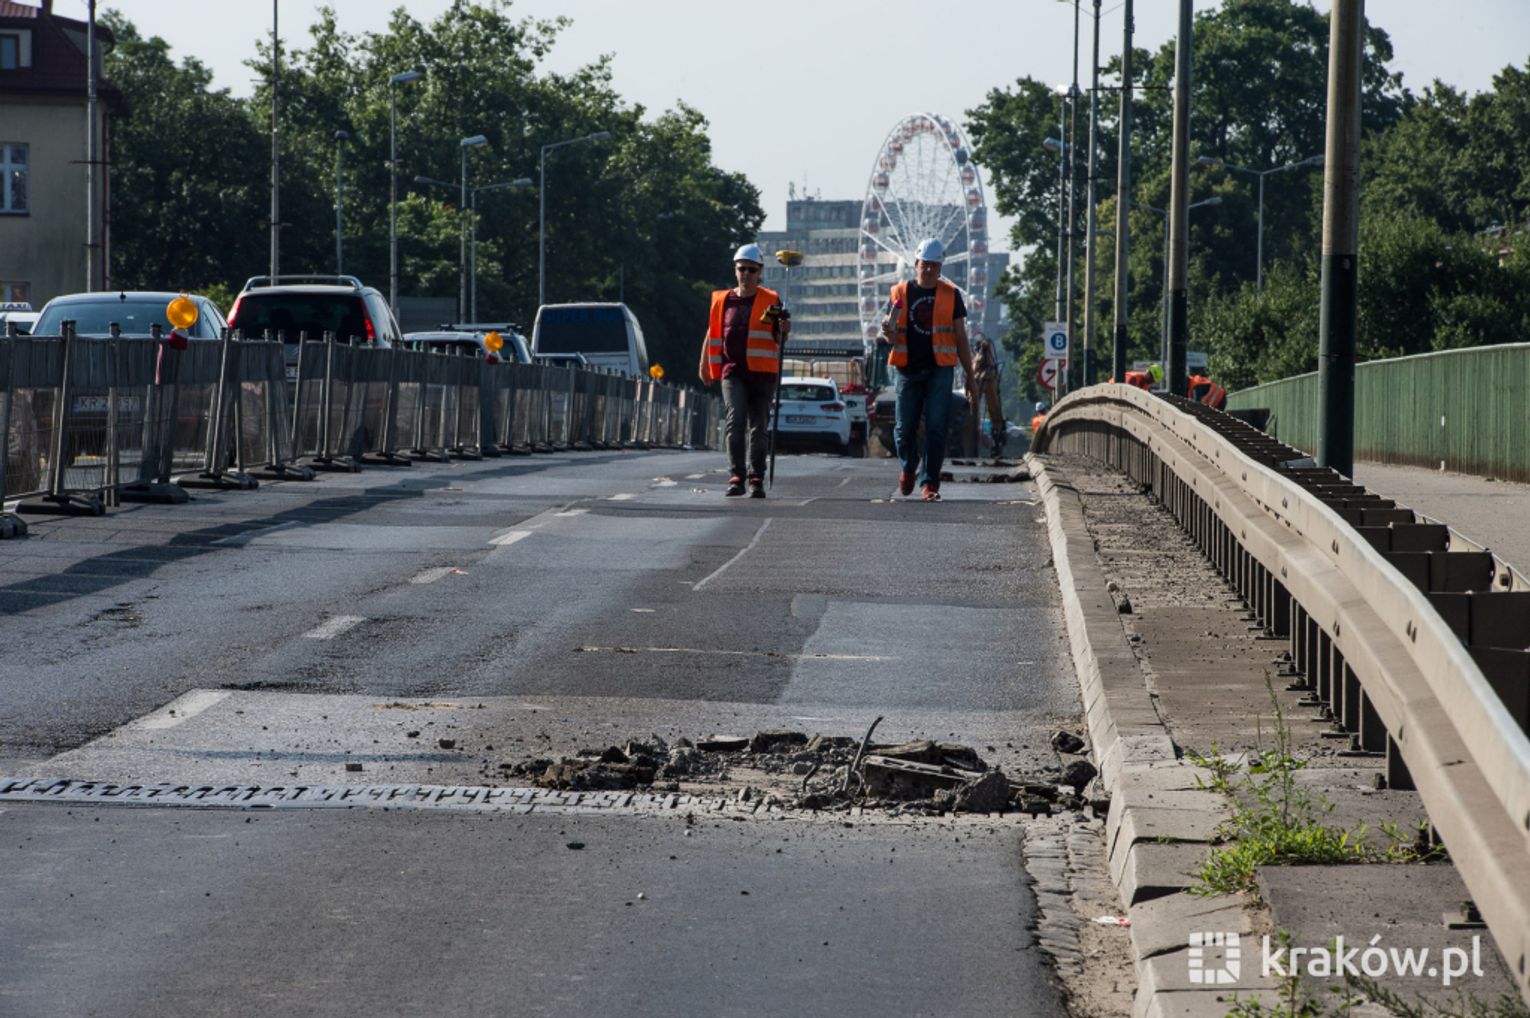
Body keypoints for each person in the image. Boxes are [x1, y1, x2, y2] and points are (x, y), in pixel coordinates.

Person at [879, 237, 975, 501]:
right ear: (916, 264)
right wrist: (887, 332)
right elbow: (890, 333)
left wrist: (970, 376)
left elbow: (960, 337)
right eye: (925, 265)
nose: (929, 269)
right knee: (903, 428)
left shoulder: (951, 295)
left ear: (941, 267)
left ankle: (930, 483)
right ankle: (908, 467)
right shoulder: (899, 293)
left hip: (940, 370)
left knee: (936, 427)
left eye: (934, 265)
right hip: (908, 369)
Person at [697, 242, 790, 498]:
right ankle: (736, 474)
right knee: (735, 419)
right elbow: (712, 332)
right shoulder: (722, 301)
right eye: (742, 269)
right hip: (732, 371)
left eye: (751, 269)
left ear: (760, 271)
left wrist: (785, 330)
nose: (746, 274)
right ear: (735, 270)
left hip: (762, 375)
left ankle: (756, 476)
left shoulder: (771, 301)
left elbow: (780, 341)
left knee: (758, 427)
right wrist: (704, 363)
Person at [968, 335, 1006, 456]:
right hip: (985, 381)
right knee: (993, 408)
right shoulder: (984, 367)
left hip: (985, 381)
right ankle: (996, 436)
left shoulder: (981, 365)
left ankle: (997, 436)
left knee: (993, 408)